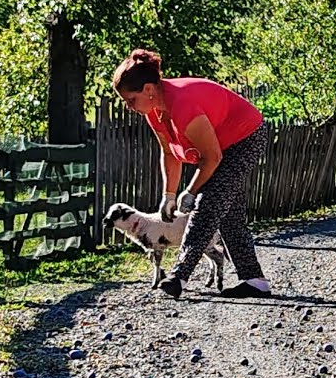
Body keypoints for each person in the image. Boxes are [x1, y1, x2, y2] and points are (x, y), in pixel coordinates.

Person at [111, 49, 272, 299]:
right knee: (227, 211)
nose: (129, 106)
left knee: (206, 204)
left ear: (149, 90)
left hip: (245, 138)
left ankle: (179, 275)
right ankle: (255, 281)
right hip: (221, 146)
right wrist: (169, 194)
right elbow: (169, 153)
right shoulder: (154, 111)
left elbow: (213, 158)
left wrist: (191, 192)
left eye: (131, 100)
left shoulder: (183, 105)